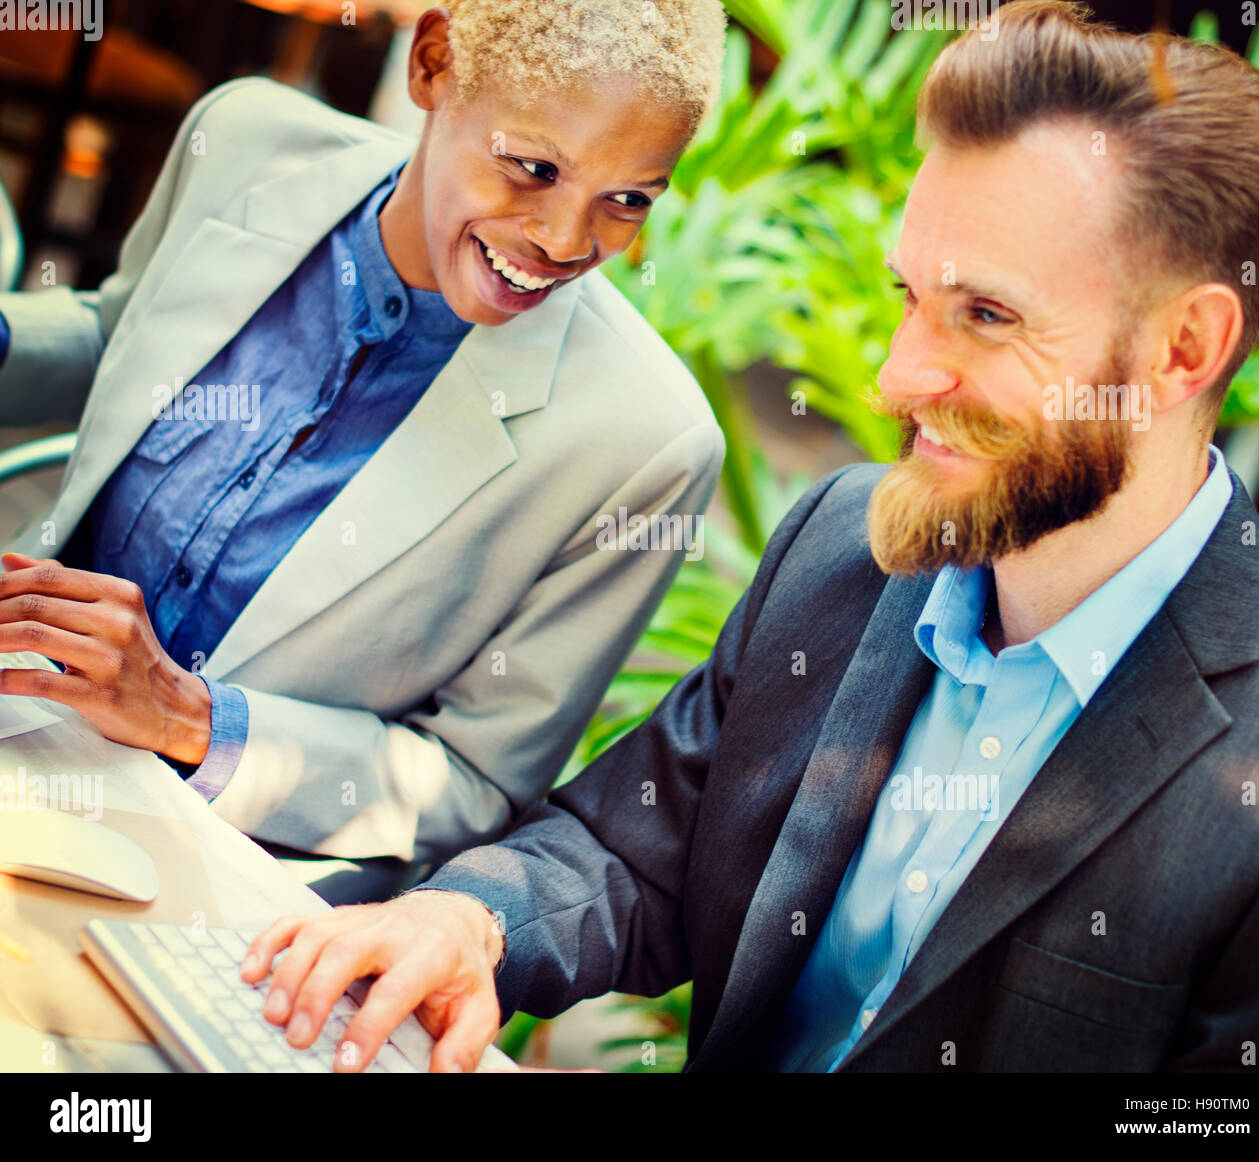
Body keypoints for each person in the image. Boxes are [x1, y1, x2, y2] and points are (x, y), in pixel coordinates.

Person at [243, 1, 1259, 1073]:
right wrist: (467, 925)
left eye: (986, 316)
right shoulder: (842, 545)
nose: (897, 377)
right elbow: (634, 848)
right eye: (910, 297)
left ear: (1183, 347)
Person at [0, 2, 727, 880]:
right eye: (533, 168)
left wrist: (190, 717)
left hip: (227, 877)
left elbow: (473, 785)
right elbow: (121, 340)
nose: (565, 241)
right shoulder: (244, 142)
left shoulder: (647, 443)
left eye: (627, 200)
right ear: (432, 63)